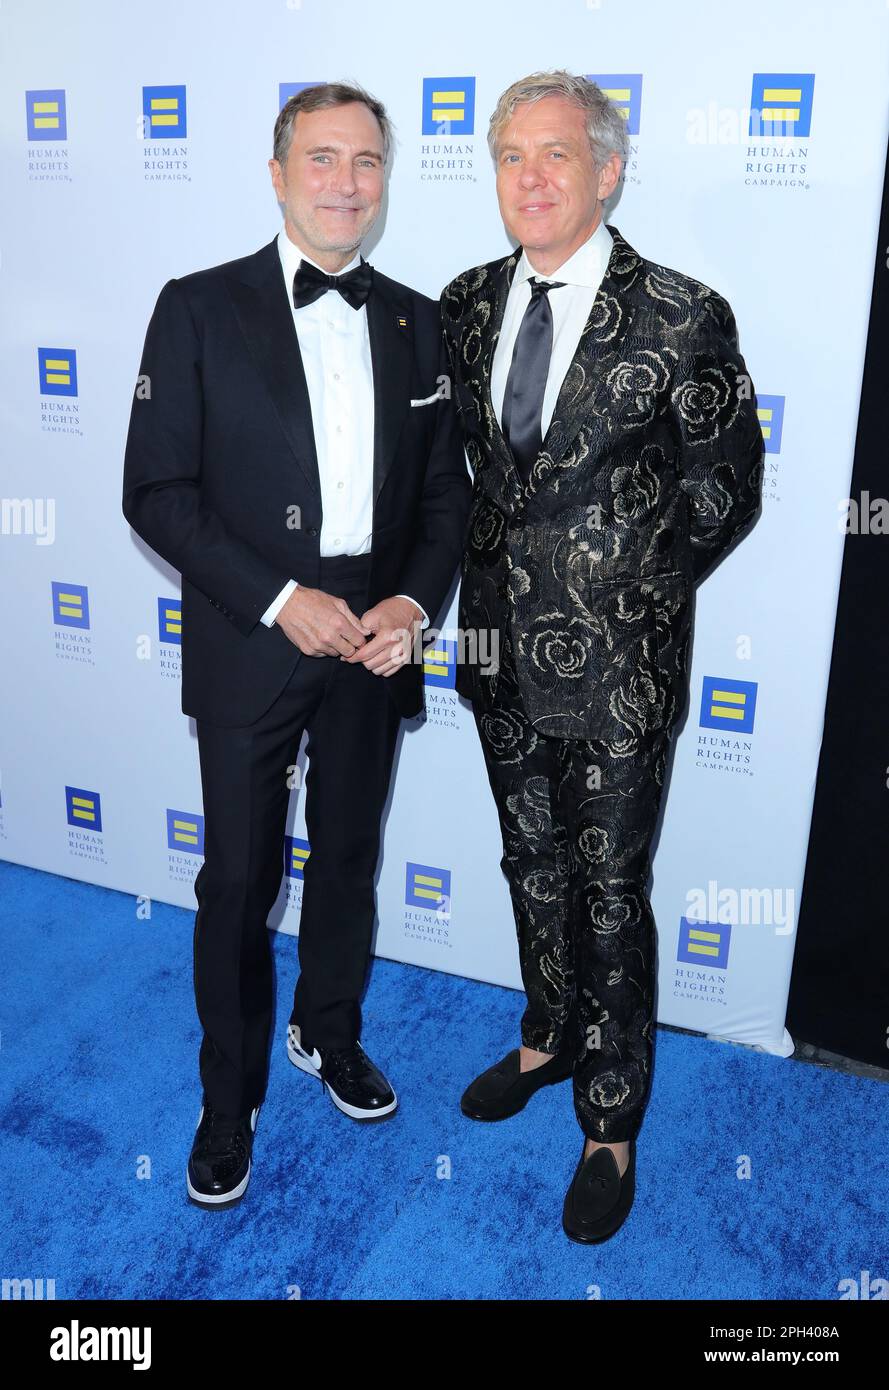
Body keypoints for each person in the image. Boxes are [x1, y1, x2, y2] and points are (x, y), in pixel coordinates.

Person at [123, 81, 470, 1208]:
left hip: (373, 642)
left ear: (385, 179)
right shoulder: (195, 307)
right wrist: (280, 598)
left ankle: (327, 1030)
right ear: (277, 175)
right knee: (238, 878)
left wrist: (411, 609)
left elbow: (445, 508)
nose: (346, 183)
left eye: (366, 161)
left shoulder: (419, 319)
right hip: (250, 637)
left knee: (352, 857)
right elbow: (157, 491)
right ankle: (229, 1100)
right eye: (321, 160)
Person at [440, 70, 764, 1243]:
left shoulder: (681, 312)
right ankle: (545, 1032)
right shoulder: (466, 300)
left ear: (608, 169)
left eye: (555, 155)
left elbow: (726, 491)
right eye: (509, 155)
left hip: (619, 664)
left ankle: (610, 1117)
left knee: (611, 891)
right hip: (489, 639)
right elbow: (474, 477)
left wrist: (622, 591)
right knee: (525, 858)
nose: (528, 177)